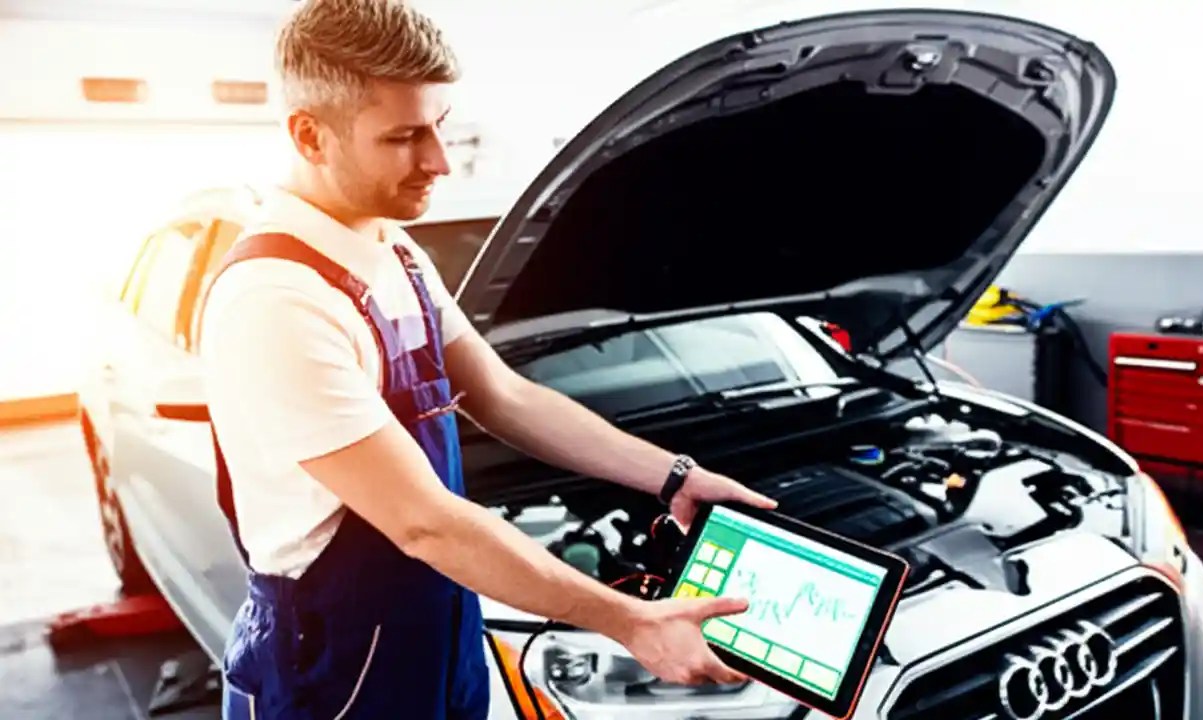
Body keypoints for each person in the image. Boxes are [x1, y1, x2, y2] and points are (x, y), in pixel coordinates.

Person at [199, 1, 777, 718]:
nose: (438, 161)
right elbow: (424, 522)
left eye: (439, 125)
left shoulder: (393, 249)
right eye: (404, 137)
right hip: (329, 675)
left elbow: (504, 396)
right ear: (309, 136)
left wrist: (674, 478)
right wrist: (629, 620)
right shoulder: (277, 300)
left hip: (437, 638)